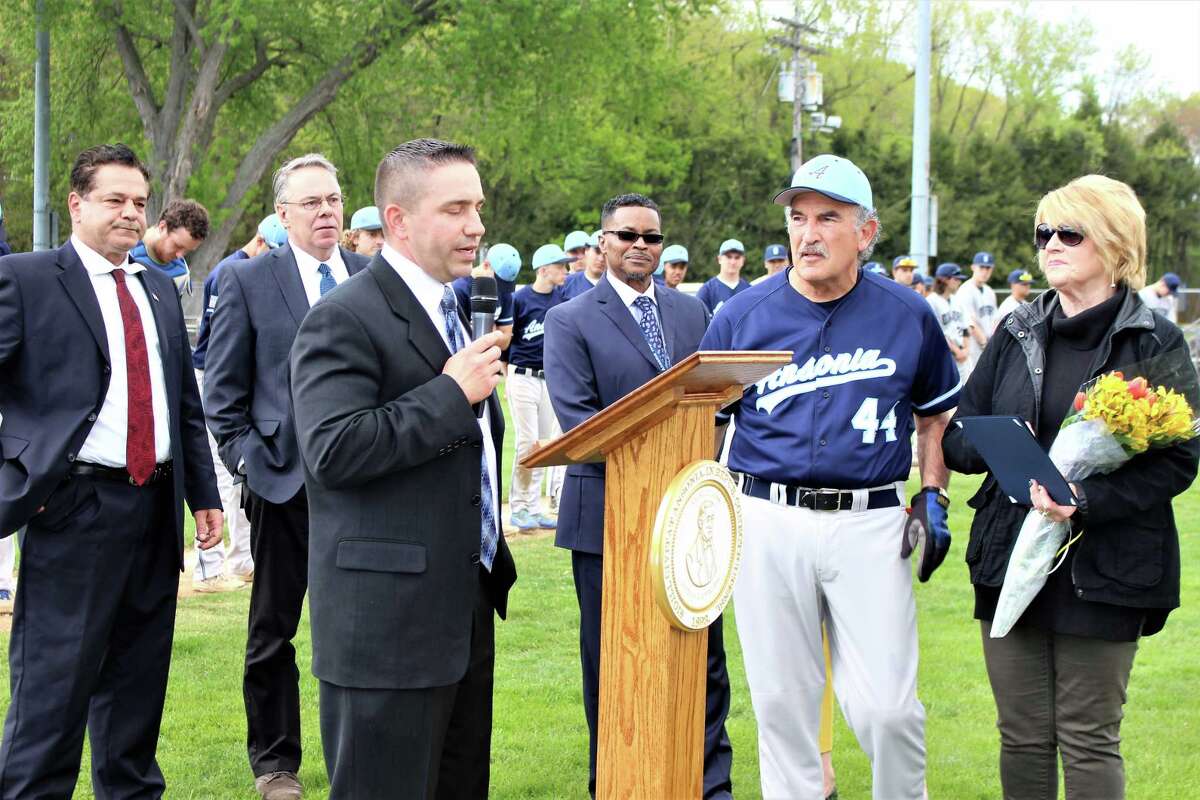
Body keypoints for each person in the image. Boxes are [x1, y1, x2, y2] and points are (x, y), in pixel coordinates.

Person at [700, 154, 960, 800]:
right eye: (797, 218)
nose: (807, 234)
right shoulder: (742, 315)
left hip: (870, 522)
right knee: (783, 708)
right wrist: (703, 513)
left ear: (866, 233)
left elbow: (934, 417)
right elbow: (704, 420)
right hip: (767, 516)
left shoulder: (908, 315)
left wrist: (933, 493)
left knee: (889, 711)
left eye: (827, 218)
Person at [942, 174, 1199, 800]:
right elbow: (956, 441)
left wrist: (1085, 501)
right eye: (1043, 233)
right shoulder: (1016, 328)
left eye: (1069, 232)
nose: (1049, 244)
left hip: (1108, 566)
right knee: (1022, 736)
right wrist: (1005, 442)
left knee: (1088, 738)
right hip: (1010, 557)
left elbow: (1180, 460)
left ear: (1113, 244)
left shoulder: (1152, 339)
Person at [290, 137, 516, 799]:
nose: (475, 225)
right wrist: (451, 392)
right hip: (385, 630)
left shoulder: (454, 308)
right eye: (455, 209)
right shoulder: (343, 317)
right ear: (398, 220)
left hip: (462, 611)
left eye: (476, 206)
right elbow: (332, 450)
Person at [0, 143, 223, 797]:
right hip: (72, 509)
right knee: (53, 694)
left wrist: (203, 495)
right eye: (114, 200)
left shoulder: (158, 285)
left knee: (136, 692)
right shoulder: (28, 279)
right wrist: (19, 478)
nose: (130, 213)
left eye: (138, 202)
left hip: (155, 508)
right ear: (76, 204)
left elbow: (183, 400)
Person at [544, 193, 733, 799]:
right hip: (609, 518)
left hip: (689, 518)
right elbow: (579, 422)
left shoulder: (690, 313)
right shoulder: (571, 319)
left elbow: (713, 400)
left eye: (651, 237)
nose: (640, 247)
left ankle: (708, 783)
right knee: (614, 665)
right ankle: (618, 782)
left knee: (701, 657)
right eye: (626, 235)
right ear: (602, 242)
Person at [204, 153, 370, 800]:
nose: (328, 212)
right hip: (283, 486)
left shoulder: (369, 275)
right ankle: (276, 764)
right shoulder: (249, 281)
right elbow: (223, 392)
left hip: (363, 486)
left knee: (360, 626)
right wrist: (248, 461)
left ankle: (358, 752)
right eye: (312, 203)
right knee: (273, 633)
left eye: (333, 199)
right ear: (282, 215)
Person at [189, 214, 289, 592]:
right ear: (260, 242)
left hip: (243, 379)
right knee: (221, 471)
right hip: (212, 376)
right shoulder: (229, 271)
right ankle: (214, 565)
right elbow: (217, 342)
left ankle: (242, 558)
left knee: (238, 479)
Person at [508, 243, 572, 531]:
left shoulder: (560, 299)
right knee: (526, 443)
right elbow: (508, 336)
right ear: (543, 270)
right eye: (559, 266)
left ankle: (533, 507)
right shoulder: (521, 298)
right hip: (522, 376)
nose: (565, 270)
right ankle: (519, 506)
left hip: (549, 378)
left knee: (543, 445)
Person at [129, 198, 209, 298]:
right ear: (162, 227)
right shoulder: (121, 255)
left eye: (187, 251)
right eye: (177, 245)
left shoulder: (180, 275)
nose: (180, 255)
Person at [452, 242, 518, 351]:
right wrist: (494, 332)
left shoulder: (504, 292)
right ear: (486, 265)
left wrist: (481, 334)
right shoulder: (460, 289)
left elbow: (506, 341)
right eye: (498, 281)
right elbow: (458, 340)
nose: (499, 289)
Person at [955, 251, 998, 370]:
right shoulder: (965, 290)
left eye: (988, 268)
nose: (985, 271)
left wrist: (993, 342)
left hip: (989, 344)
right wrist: (985, 344)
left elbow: (995, 320)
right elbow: (970, 323)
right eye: (981, 267)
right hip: (973, 346)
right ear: (973, 267)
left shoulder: (990, 291)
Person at [927, 262, 971, 376]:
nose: (959, 282)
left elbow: (966, 328)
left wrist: (966, 350)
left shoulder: (958, 301)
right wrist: (956, 351)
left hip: (962, 356)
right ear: (944, 279)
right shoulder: (932, 301)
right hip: (944, 355)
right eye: (956, 279)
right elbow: (936, 332)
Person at [696, 238, 749, 316]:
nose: (733, 262)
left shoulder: (749, 290)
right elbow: (700, 321)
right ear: (719, 259)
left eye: (737, 257)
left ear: (743, 260)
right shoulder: (707, 290)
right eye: (729, 257)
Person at [562, 232, 607, 300]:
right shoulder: (562, 284)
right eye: (574, 252)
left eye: (583, 251)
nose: (580, 257)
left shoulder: (617, 283)